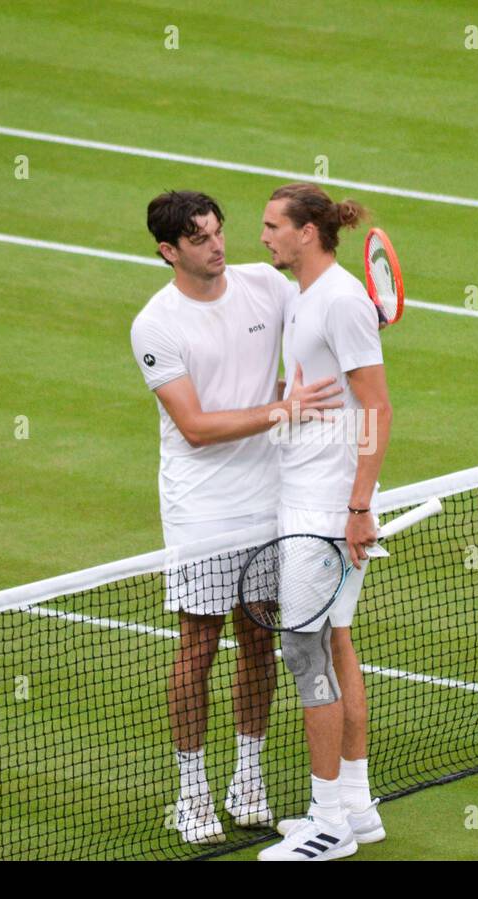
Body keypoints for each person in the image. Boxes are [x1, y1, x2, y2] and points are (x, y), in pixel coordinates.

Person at [129, 190, 341, 845]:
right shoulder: (155, 324)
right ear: (169, 250)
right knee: (198, 644)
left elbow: (323, 305)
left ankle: (247, 778)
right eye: (199, 239)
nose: (218, 246)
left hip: (272, 496)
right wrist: (283, 410)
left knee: (258, 638)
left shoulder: (262, 288)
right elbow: (193, 426)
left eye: (218, 232)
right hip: (202, 509)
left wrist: (365, 316)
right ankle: (193, 790)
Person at [255, 183, 393, 861]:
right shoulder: (313, 298)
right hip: (317, 499)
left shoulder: (337, 299)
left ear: (307, 233)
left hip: (325, 509)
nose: (264, 237)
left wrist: (359, 506)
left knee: (304, 651)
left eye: (273, 226)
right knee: (335, 642)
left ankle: (327, 823)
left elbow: (378, 407)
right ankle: (357, 805)